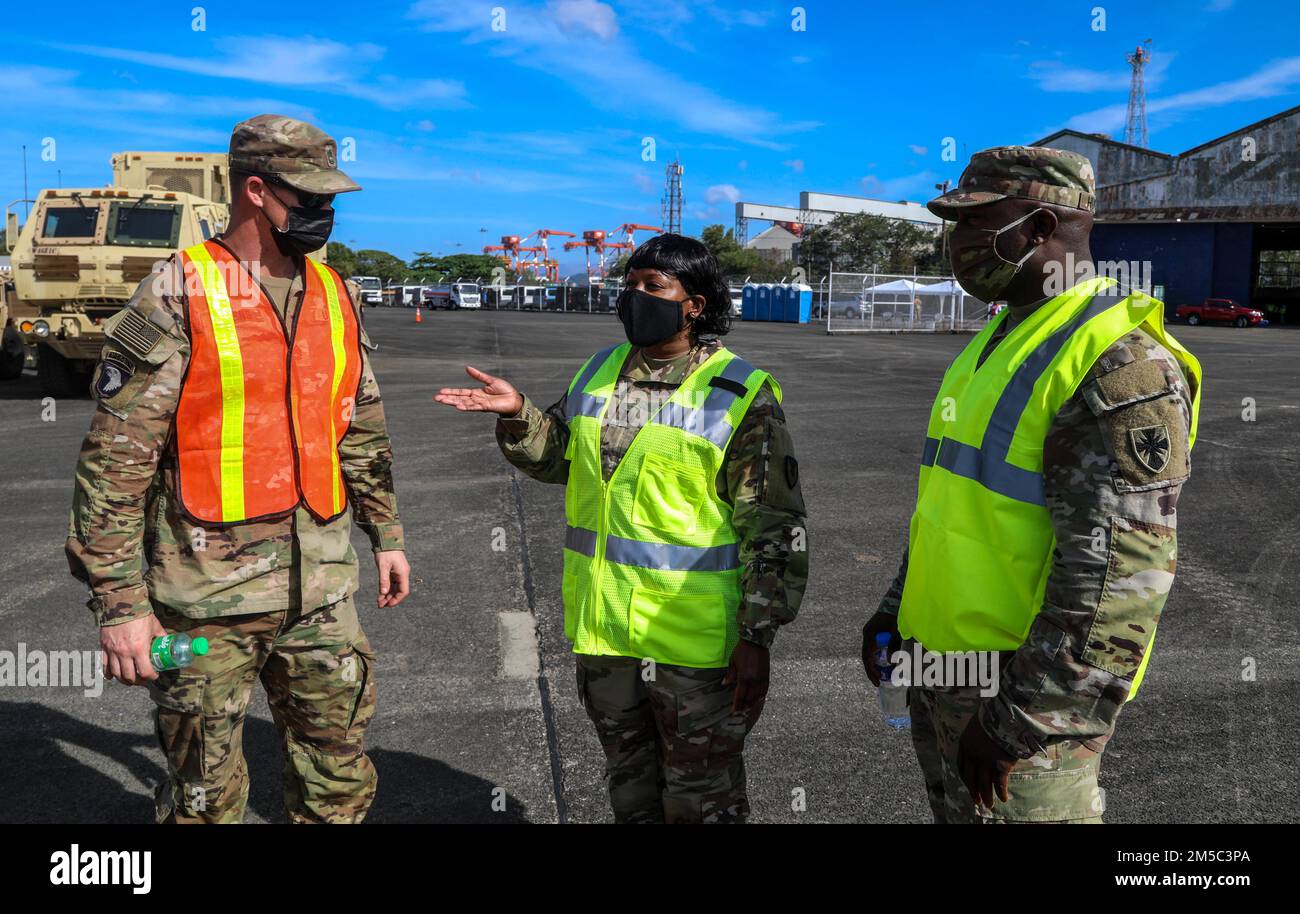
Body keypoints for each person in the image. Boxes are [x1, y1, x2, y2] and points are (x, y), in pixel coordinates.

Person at [66, 114, 411, 824]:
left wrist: (389, 535)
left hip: (320, 594)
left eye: (331, 199)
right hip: (202, 603)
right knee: (204, 800)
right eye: (311, 198)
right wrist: (121, 607)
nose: (326, 214)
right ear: (257, 190)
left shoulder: (334, 293)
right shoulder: (178, 290)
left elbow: (360, 426)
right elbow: (116, 461)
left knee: (340, 786)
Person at [862, 146, 1201, 824]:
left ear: (1040, 228)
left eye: (972, 223)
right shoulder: (1001, 337)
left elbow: (1121, 578)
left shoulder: (1118, 363)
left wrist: (1029, 715)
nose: (955, 243)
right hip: (944, 673)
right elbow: (952, 505)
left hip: (1019, 699)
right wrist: (897, 609)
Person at [437, 233, 809, 823]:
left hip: (694, 644)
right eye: (630, 284)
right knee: (630, 787)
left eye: (654, 286)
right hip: (605, 633)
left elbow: (773, 525)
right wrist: (518, 415)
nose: (635, 296)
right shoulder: (601, 370)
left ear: (696, 304)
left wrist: (757, 636)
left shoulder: (741, 393)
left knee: (699, 796)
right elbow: (560, 459)